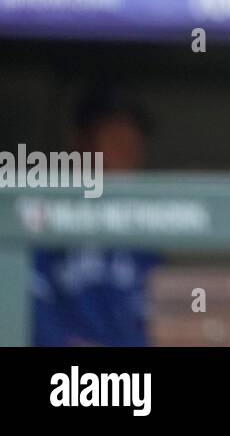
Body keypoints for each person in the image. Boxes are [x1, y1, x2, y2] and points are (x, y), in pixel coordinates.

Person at [32, 86, 160, 347]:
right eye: (114, 137)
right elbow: (30, 312)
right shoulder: (47, 218)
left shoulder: (148, 229)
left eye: (133, 140)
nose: (127, 150)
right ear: (80, 142)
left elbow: (157, 322)